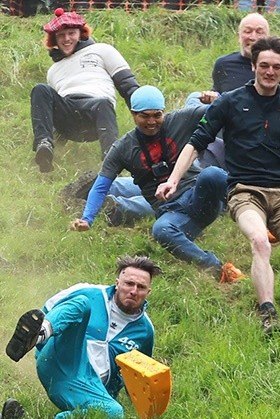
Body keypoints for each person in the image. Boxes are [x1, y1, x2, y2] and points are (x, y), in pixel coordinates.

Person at [157, 37, 280, 334]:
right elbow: (195, 143)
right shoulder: (230, 102)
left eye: (276, 67)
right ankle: (268, 314)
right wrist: (173, 179)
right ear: (253, 66)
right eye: (264, 65)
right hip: (245, 191)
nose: (269, 72)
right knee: (259, 241)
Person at [73, 86, 242, 283]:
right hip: (172, 212)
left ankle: (252, 212)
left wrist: (215, 98)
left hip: (199, 196)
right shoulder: (122, 148)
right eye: (145, 116)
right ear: (133, 114)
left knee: (212, 174)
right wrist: (88, 218)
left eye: (157, 115)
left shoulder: (180, 120)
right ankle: (217, 268)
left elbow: (224, 106)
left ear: (164, 111)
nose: (152, 122)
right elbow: (101, 185)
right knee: (160, 230)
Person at [5, 255, 159, 419]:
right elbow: (48, 311)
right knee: (82, 305)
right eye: (129, 283)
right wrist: (39, 342)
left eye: (141, 287)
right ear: (117, 283)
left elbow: (139, 377)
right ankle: (37, 336)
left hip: (87, 388)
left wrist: (148, 412)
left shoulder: (146, 331)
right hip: (60, 360)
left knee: (115, 413)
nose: (133, 290)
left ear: (148, 293)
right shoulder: (89, 293)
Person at [30, 9, 140, 174]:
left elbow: (127, 85)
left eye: (71, 33)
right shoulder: (53, 71)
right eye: (61, 35)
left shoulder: (102, 50)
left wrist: (145, 113)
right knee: (40, 90)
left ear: (81, 33)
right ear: (54, 39)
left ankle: (111, 162)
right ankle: (44, 145)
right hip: (69, 116)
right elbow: (50, 110)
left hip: (97, 111)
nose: (66, 39)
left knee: (103, 103)